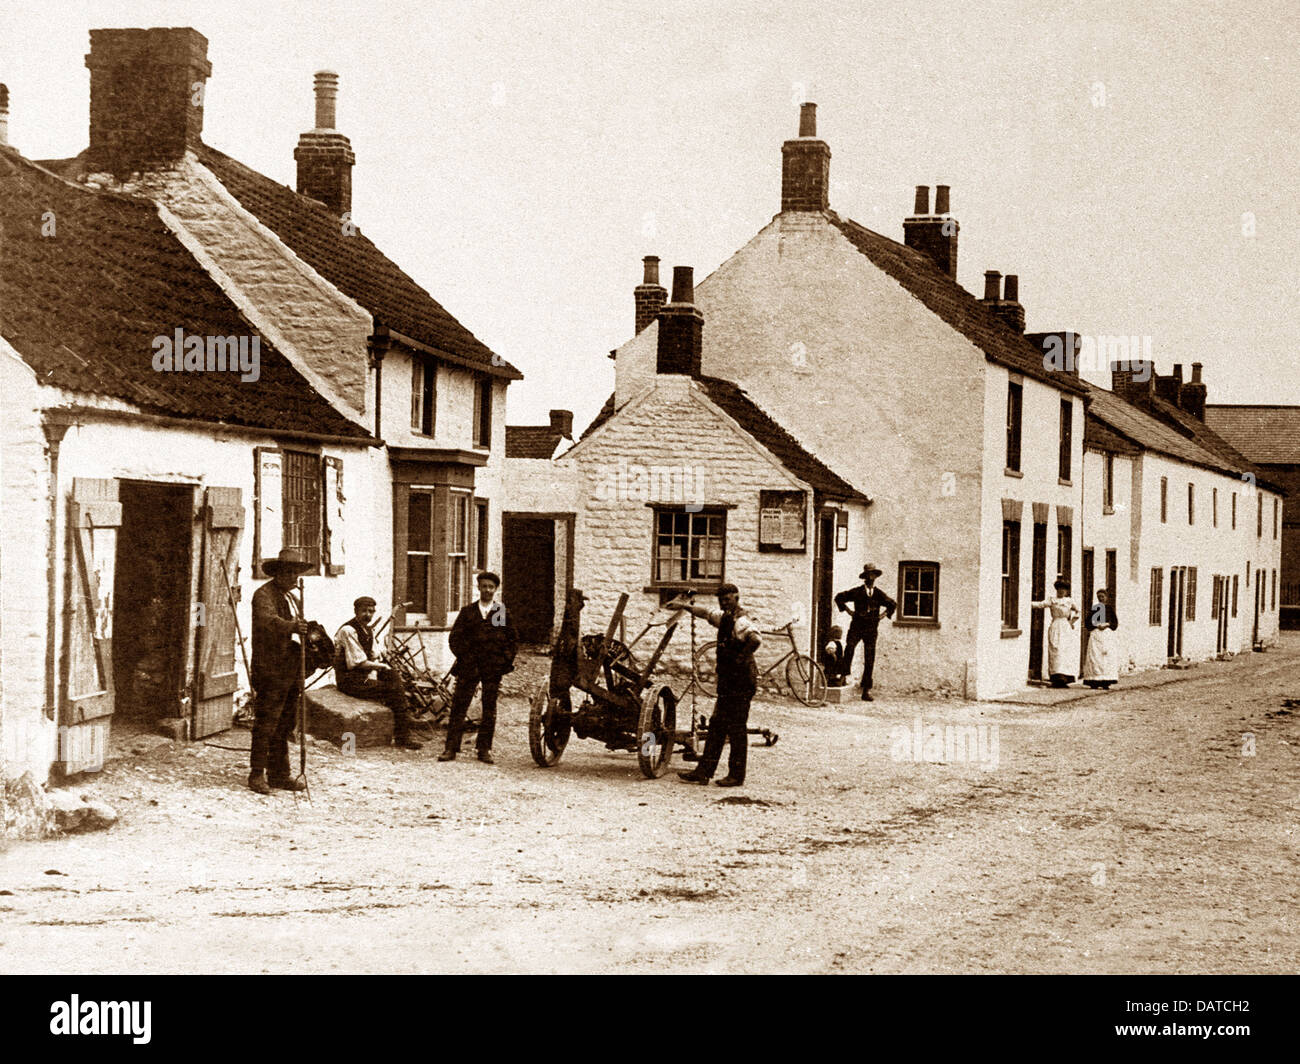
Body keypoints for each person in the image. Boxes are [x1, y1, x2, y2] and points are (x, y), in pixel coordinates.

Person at [669, 583, 762, 787]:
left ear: (736, 598)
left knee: (736, 729)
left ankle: (736, 776)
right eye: (721, 600)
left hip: (741, 682)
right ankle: (703, 772)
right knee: (717, 726)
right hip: (729, 683)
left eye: (727, 599)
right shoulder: (726, 617)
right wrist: (684, 606)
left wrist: (739, 659)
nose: (723, 603)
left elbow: (755, 640)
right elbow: (706, 613)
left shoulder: (741, 620)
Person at [248, 548, 316, 795]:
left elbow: (297, 629)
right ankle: (257, 774)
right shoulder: (263, 595)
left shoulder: (293, 598)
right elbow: (268, 622)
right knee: (267, 722)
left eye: (296, 573)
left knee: (285, 723)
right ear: (277, 573)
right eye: (288, 572)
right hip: (270, 669)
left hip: (289, 668)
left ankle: (279, 774)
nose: (294, 577)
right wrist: (293, 627)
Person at [439, 572, 517, 764]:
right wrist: (465, 657)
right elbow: (455, 638)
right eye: (484, 586)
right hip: (469, 666)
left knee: (489, 707)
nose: (487, 590)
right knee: (459, 705)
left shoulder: (499, 612)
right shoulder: (468, 612)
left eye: (491, 587)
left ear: (495, 589)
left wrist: (503, 661)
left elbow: (510, 639)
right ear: (479, 588)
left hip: (492, 667)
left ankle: (484, 749)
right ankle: (451, 748)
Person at [333, 596, 422, 750]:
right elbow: (359, 662)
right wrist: (381, 668)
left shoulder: (368, 630)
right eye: (364, 611)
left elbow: (374, 655)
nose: (368, 615)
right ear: (356, 611)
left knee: (393, 676)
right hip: (349, 680)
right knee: (393, 688)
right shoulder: (348, 630)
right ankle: (403, 734)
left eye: (371, 611)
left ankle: (404, 724)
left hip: (363, 677)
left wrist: (384, 667)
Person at [833, 564, 897, 701]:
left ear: (876, 577)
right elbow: (839, 597)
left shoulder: (879, 594)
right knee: (849, 648)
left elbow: (892, 604)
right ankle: (843, 676)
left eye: (873, 575)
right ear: (865, 577)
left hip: (871, 629)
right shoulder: (857, 592)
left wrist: (881, 616)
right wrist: (849, 612)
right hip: (857, 626)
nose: (870, 578)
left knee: (869, 657)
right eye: (868, 575)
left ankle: (866, 690)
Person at [1031, 579, 1080, 687]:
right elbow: (1040, 604)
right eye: (1059, 589)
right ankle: (1056, 678)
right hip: (1055, 626)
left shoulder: (1069, 601)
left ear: (1066, 591)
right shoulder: (1052, 600)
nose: (1061, 591)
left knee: (1065, 651)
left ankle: (1065, 678)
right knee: (1055, 650)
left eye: (1064, 589)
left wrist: (1071, 622)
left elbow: (1078, 611)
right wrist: (1027, 603)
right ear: (1056, 590)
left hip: (1065, 627)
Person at [1082, 588, 1119, 689]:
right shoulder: (1095, 609)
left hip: (1106, 636)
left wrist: (1107, 624)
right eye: (1099, 597)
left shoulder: (1109, 609)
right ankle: (1094, 681)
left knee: (1106, 657)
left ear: (1106, 597)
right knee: (1095, 657)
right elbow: (1087, 623)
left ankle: (1106, 681)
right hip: (1096, 635)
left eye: (1102, 596)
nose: (1101, 598)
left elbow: (1115, 623)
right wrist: (1096, 625)